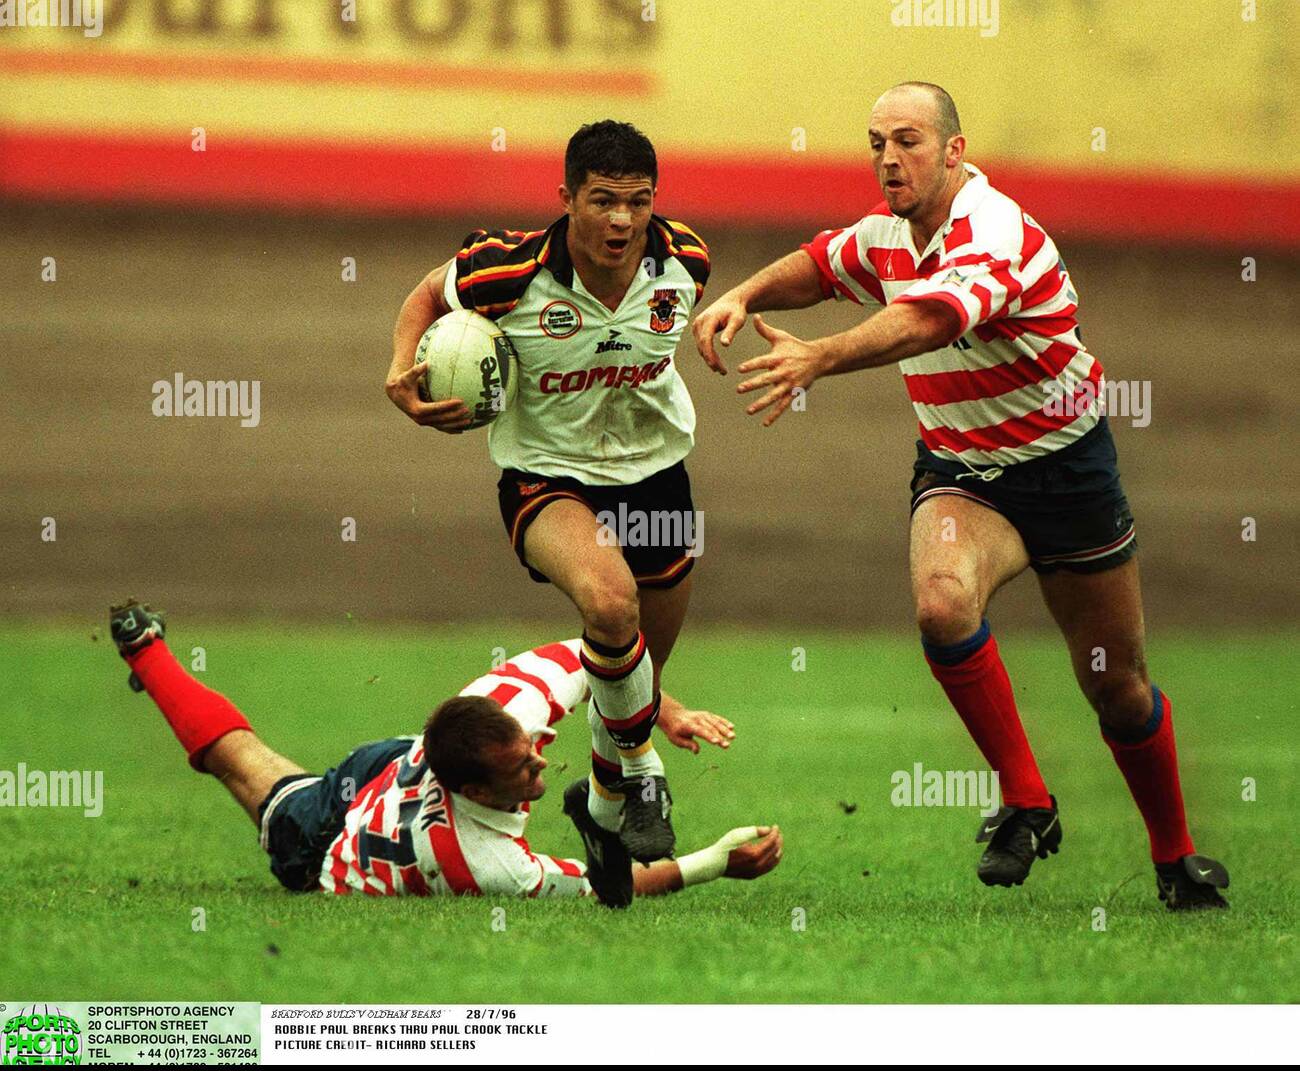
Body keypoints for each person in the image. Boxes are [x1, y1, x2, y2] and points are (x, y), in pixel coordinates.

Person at [692, 81, 1228, 911]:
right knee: (942, 605)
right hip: (964, 472)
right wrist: (743, 294)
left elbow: (932, 320)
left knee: (1117, 685)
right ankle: (1026, 796)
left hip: (1066, 470)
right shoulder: (888, 234)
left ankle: (1175, 854)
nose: (887, 158)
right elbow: (824, 261)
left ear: (954, 150)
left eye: (907, 140)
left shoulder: (994, 230)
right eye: (875, 142)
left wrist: (820, 358)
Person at [384, 120, 726, 866]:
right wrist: (399, 372)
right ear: (566, 197)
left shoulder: (685, 262)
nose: (621, 221)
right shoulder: (501, 271)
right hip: (547, 472)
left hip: (657, 472)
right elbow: (425, 295)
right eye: (602, 201)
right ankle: (641, 772)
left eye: (638, 202)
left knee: (637, 675)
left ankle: (604, 805)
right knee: (610, 605)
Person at [109, 600, 781, 908]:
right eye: (523, 768)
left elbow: (605, 654)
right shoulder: (482, 864)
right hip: (328, 848)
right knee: (242, 761)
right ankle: (148, 651)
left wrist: (667, 711)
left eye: (531, 751)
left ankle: (154, 659)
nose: (543, 761)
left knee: (256, 756)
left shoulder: (508, 704)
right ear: (481, 794)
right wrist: (718, 861)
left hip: (381, 768)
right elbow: (614, 886)